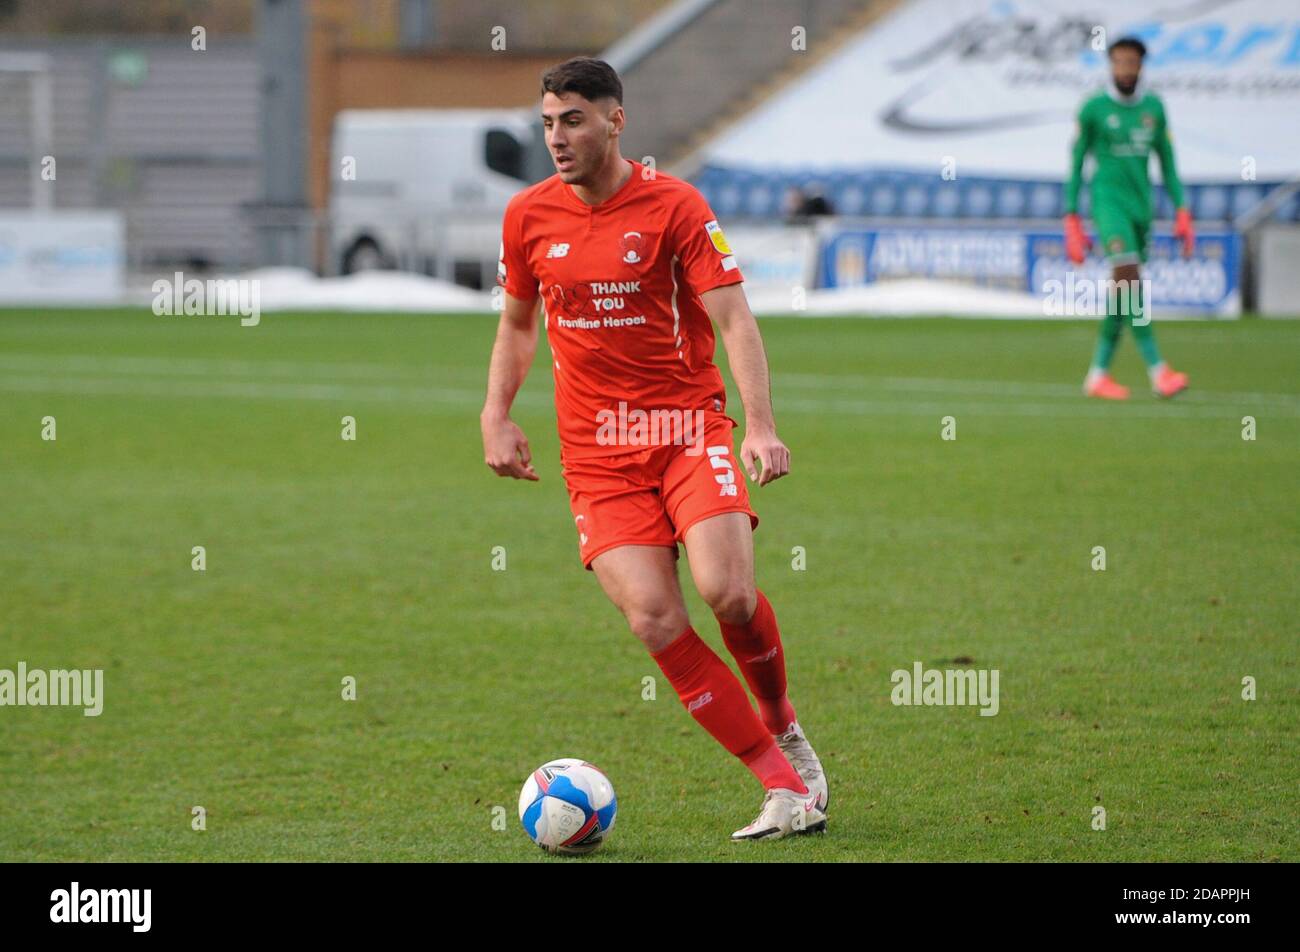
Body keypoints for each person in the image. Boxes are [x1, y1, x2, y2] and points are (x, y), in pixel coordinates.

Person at [481, 57, 828, 842]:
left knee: (728, 594)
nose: (557, 138)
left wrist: (761, 424)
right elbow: (514, 325)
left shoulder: (674, 205)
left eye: (573, 120)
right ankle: (779, 787)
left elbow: (735, 319)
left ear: (615, 120)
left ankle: (786, 729)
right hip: (597, 454)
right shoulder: (528, 216)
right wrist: (496, 413)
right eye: (547, 123)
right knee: (653, 617)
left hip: (684, 431)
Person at [1064, 36, 1193, 400]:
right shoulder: (1093, 109)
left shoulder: (1154, 108)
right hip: (1109, 206)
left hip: (1142, 208)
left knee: (1123, 293)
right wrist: (1070, 215)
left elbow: (1167, 162)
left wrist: (1182, 208)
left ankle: (1097, 374)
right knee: (1128, 278)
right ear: (1110, 65)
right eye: (1118, 61)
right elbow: (1076, 162)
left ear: (1141, 65)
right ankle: (1158, 370)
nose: (1124, 68)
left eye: (1131, 62)